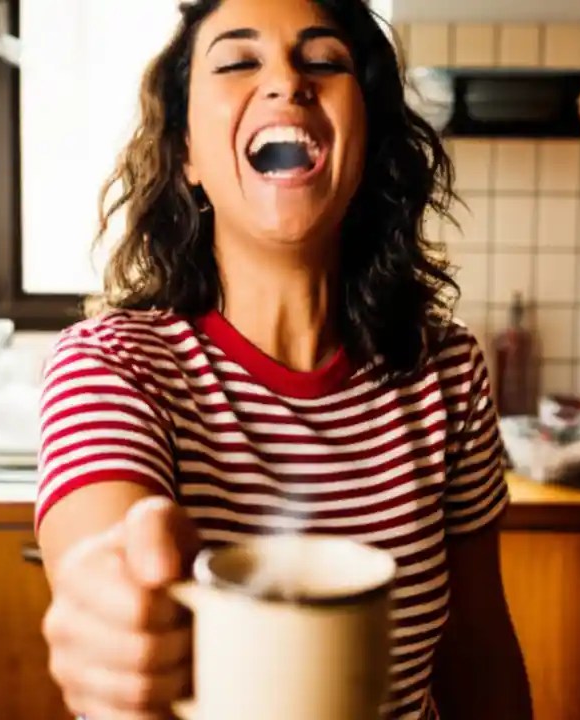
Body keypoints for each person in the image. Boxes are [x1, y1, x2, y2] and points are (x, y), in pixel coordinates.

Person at [35, 0, 533, 718]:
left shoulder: (446, 371)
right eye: (239, 62)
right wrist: (111, 609)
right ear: (187, 154)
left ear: (366, 139)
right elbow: (102, 558)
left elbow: (479, 652)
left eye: (323, 62)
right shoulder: (114, 366)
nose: (286, 84)